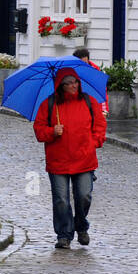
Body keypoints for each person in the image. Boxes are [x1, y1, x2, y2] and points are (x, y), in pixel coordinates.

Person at [33, 68, 106, 249]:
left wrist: (94, 142)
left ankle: (81, 225)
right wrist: (52, 131)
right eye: (68, 83)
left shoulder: (89, 101)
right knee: (61, 200)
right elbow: (39, 130)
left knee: (84, 196)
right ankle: (64, 234)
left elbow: (99, 124)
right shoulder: (49, 104)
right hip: (59, 160)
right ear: (60, 86)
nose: (73, 86)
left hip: (84, 159)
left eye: (75, 82)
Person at [72, 47, 108, 115]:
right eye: (80, 63)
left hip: (93, 105)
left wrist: (104, 110)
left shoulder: (95, 71)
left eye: (85, 62)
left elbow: (101, 91)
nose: (84, 65)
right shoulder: (70, 71)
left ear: (88, 60)